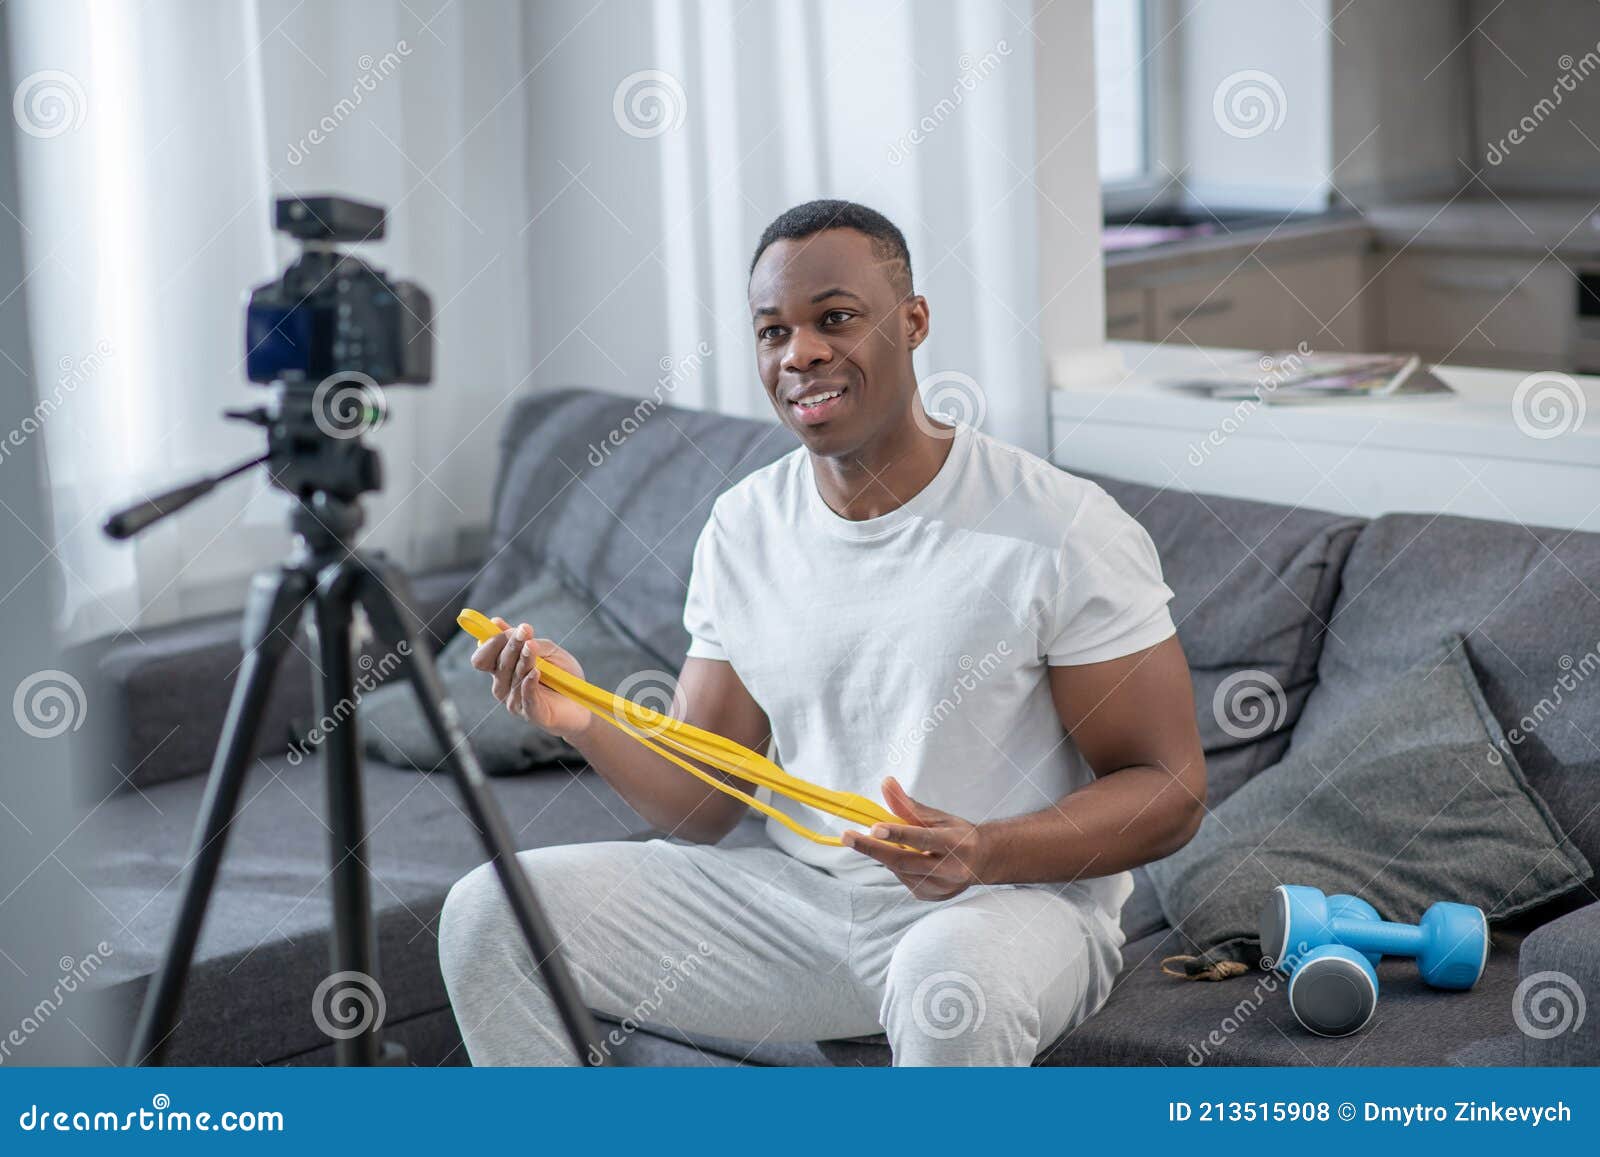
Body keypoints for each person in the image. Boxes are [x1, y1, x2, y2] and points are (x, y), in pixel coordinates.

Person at [438, 199, 1207, 1066]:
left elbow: (1168, 788)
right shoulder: (743, 526)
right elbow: (701, 801)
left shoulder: (1057, 525)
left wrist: (986, 851)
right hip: (800, 903)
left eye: (834, 318)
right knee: (489, 910)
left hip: (1009, 908)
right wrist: (581, 716)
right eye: (773, 331)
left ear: (912, 323)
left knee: (945, 978)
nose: (799, 353)